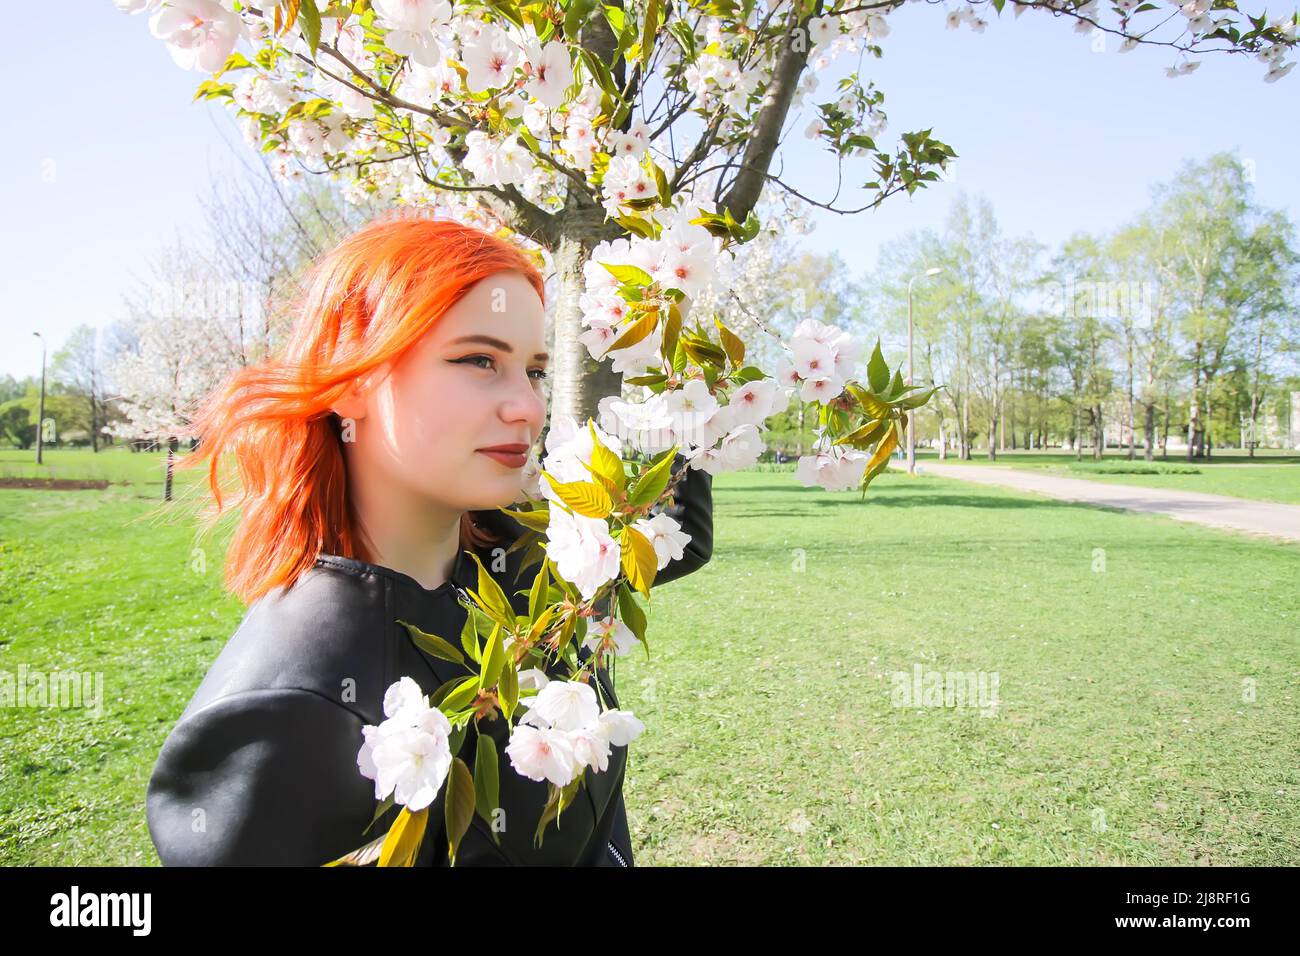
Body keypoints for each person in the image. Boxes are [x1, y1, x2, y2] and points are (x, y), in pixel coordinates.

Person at [146, 213, 714, 866]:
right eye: (479, 359)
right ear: (353, 383)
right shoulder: (286, 709)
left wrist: (664, 347)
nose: (529, 406)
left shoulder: (530, 552)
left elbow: (680, 534)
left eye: (532, 369)